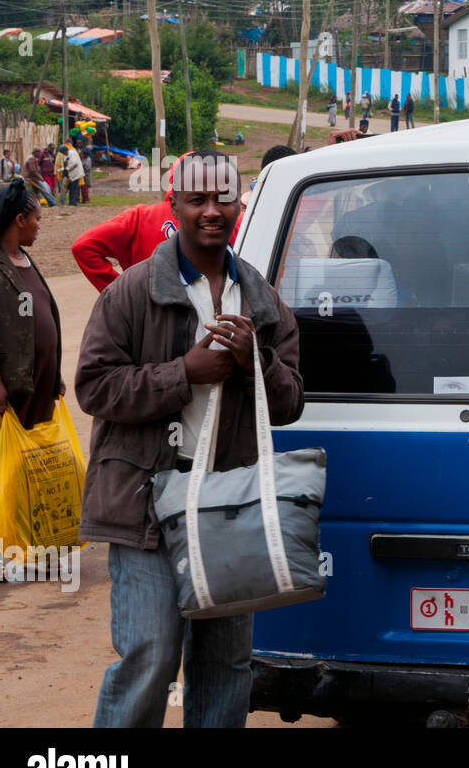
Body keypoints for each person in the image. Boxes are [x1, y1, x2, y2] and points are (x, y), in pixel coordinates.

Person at [77, 150, 305, 727]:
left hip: (229, 507)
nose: (211, 211)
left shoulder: (264, 303)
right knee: (149, 658)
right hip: (146, 505)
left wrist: (260, 362)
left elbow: (290, 403)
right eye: (197, 199)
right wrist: (186, 373)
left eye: (222, 198)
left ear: (239, 204)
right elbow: (95, 388)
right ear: (172, 206)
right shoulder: (129, 294)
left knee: (225, 665)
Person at [0, 180, 65, 582]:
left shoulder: (25, 259)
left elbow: (45, 314)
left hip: (36, 384)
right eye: (36, 218)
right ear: (18, 219)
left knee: (26, 468)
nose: (39, 225)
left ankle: (24, 547)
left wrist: (55, 373)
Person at [72, 151, 247, 292]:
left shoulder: (138, 218)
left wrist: (120, 290)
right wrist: (120, 292)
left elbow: (83, 246)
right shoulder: (232, 220)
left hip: (150, 317)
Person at [78, 139, 93, 204]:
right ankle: (83, 199)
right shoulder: (83, 159)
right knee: (82, 188)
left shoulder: (88, 159)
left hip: (86, 175)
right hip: (83, 175)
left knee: (85, 188)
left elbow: (87, 167)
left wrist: (82, 165)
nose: (82, 155)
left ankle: (86, 199)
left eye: (83, 154)